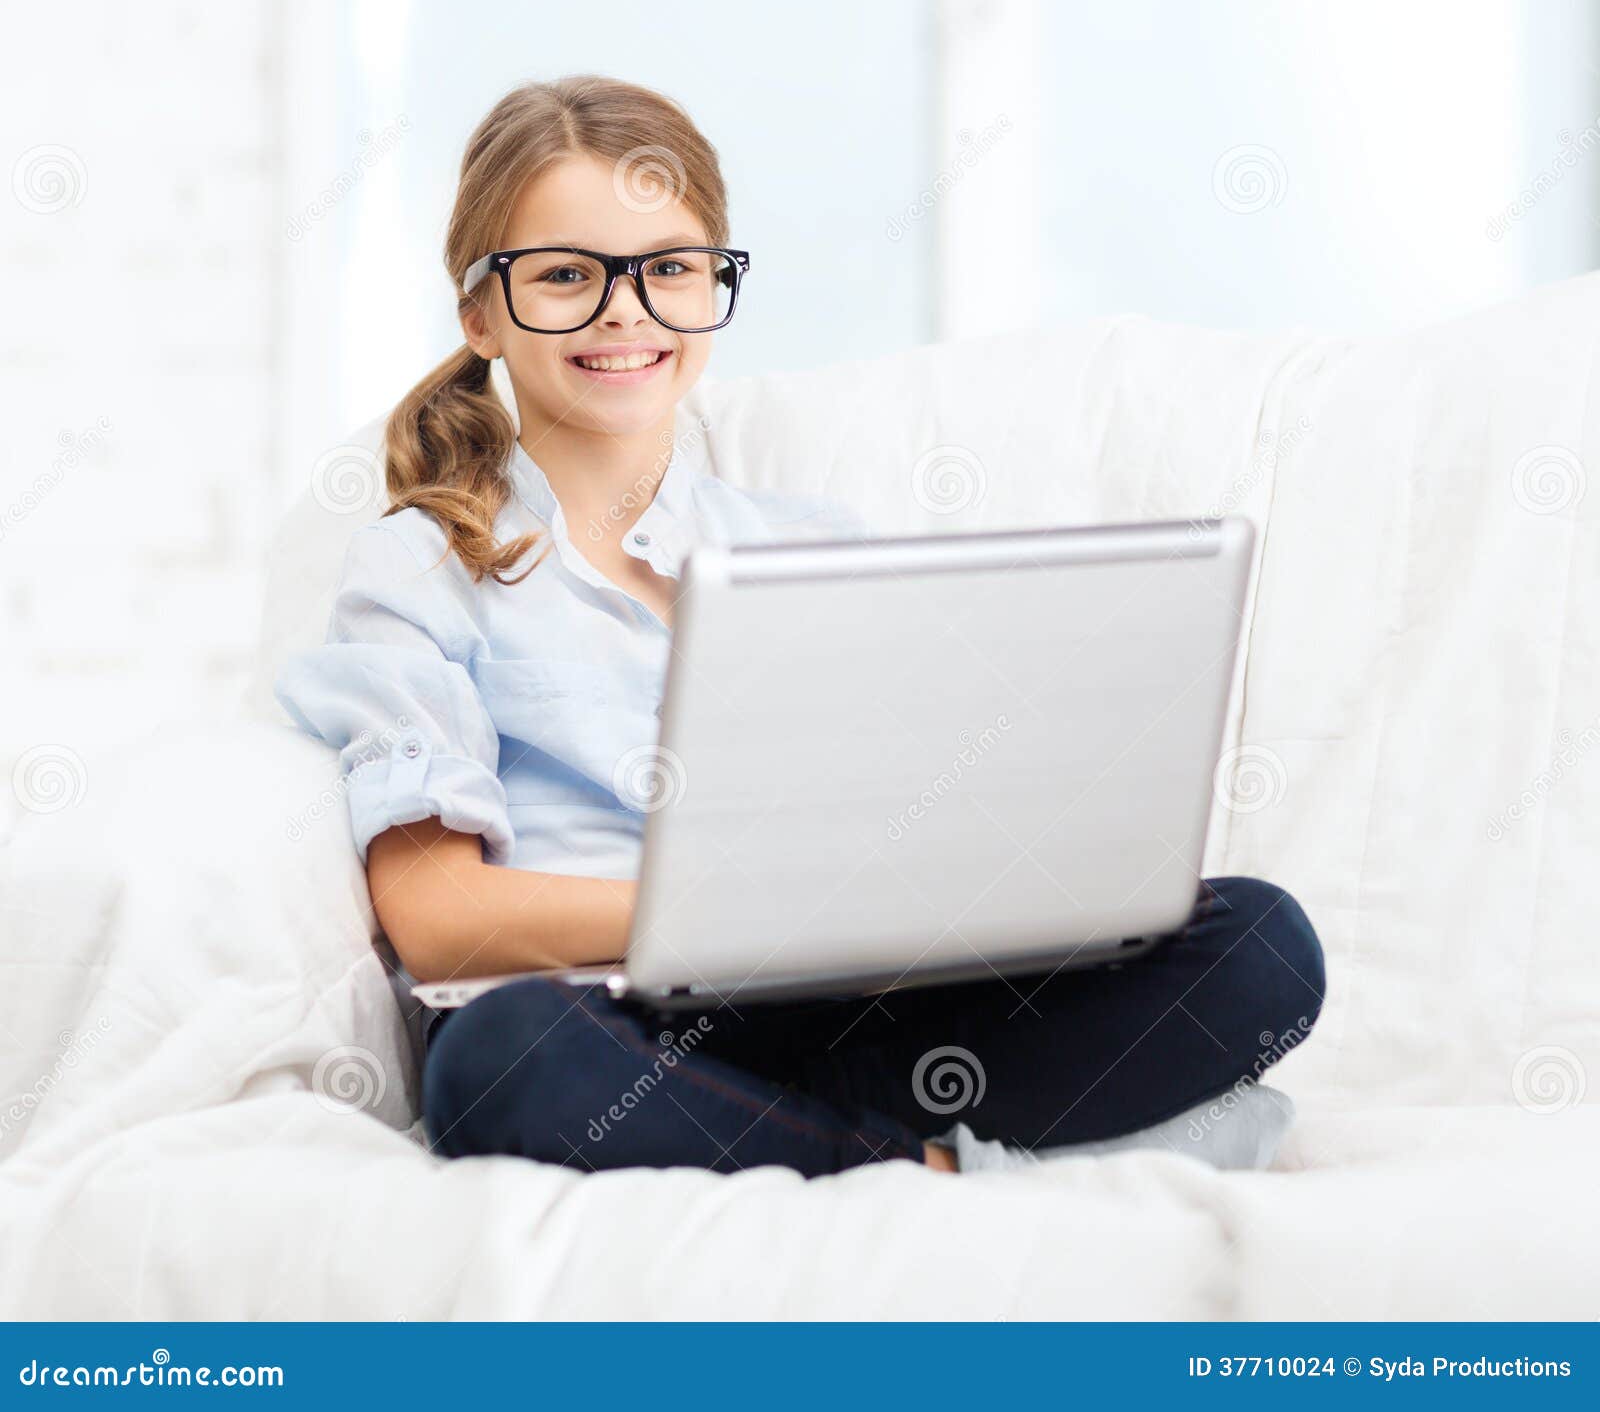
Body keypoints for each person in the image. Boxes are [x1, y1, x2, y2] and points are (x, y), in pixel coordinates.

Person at [277, 75, 1323, 1178]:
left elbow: (912, 831)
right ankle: (925, 1164)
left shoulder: (812, 547)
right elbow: (438, 916)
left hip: (850, 1010)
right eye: (567, 275)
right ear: (481, 310)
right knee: (500, 1058)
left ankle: (815, 1130)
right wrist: (734, 915)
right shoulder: (417, 567)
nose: (624, 311)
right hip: (604, 1016)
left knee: (1260, 943)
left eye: (669, 269)